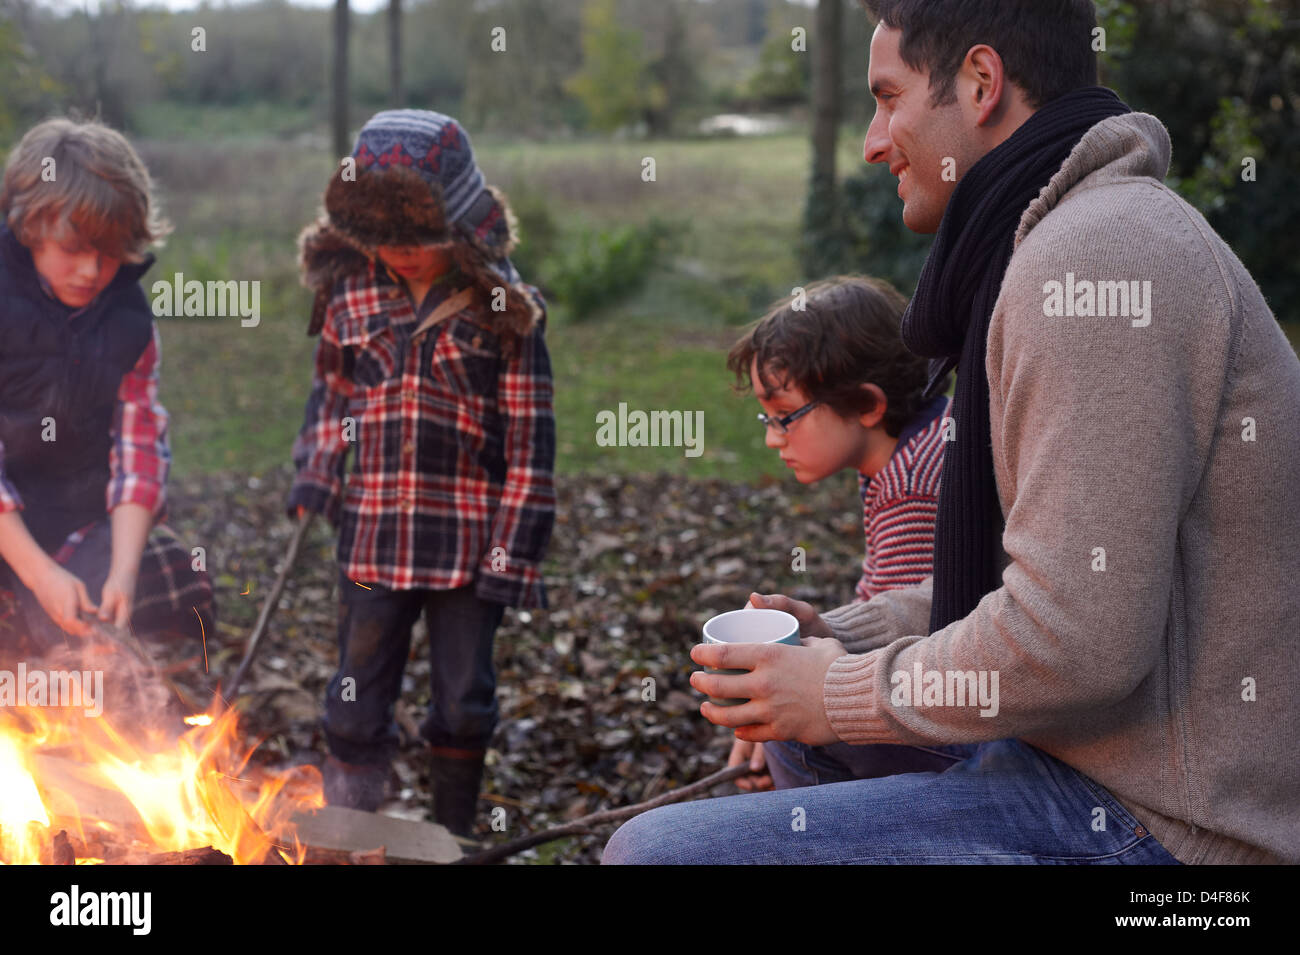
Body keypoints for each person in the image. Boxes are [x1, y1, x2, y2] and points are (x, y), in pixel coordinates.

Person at [604, 0, 1300, 864]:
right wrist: (839, 637)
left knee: (654, 854)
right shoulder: (1055, 244)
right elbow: (1037, 585)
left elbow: (1075, 641)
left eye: (887, 97)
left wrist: (840, 690)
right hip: (1086, 768)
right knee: (796, 736)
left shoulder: (1097, 258)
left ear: (980, 84)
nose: (871, 140)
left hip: (1174, 834)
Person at [288, 110, 556, 835]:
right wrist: (316, 470)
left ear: (461, 223)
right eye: (384, 238)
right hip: (372, 538)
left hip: (469, 543)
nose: (401, 253)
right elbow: (331, 393)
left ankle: (452, 836)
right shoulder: (347, 293)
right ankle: (352, 832)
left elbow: (533, 441)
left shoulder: (505, 309)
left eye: (417, 237)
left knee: (465, 694)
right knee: (356, 690)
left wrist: (514, 549)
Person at [723, 275, 949, 791]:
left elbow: (907, 635)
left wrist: (787, 713)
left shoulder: (911, 482)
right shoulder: (923, 442)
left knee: (793, 732)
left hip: (946, 720)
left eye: (786, 417)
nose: (770, 438)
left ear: (867, 405)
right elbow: (884, 600)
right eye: (767, 416)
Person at [0, 117, 214, 659]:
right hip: (10, 526)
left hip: (75, 520)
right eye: (73, 248)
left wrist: (121, 574)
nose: (92, 270)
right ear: (29, 227)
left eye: (111, 251)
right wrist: (37, 573)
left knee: (154, 585)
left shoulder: (130, 323)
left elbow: (138, 448)